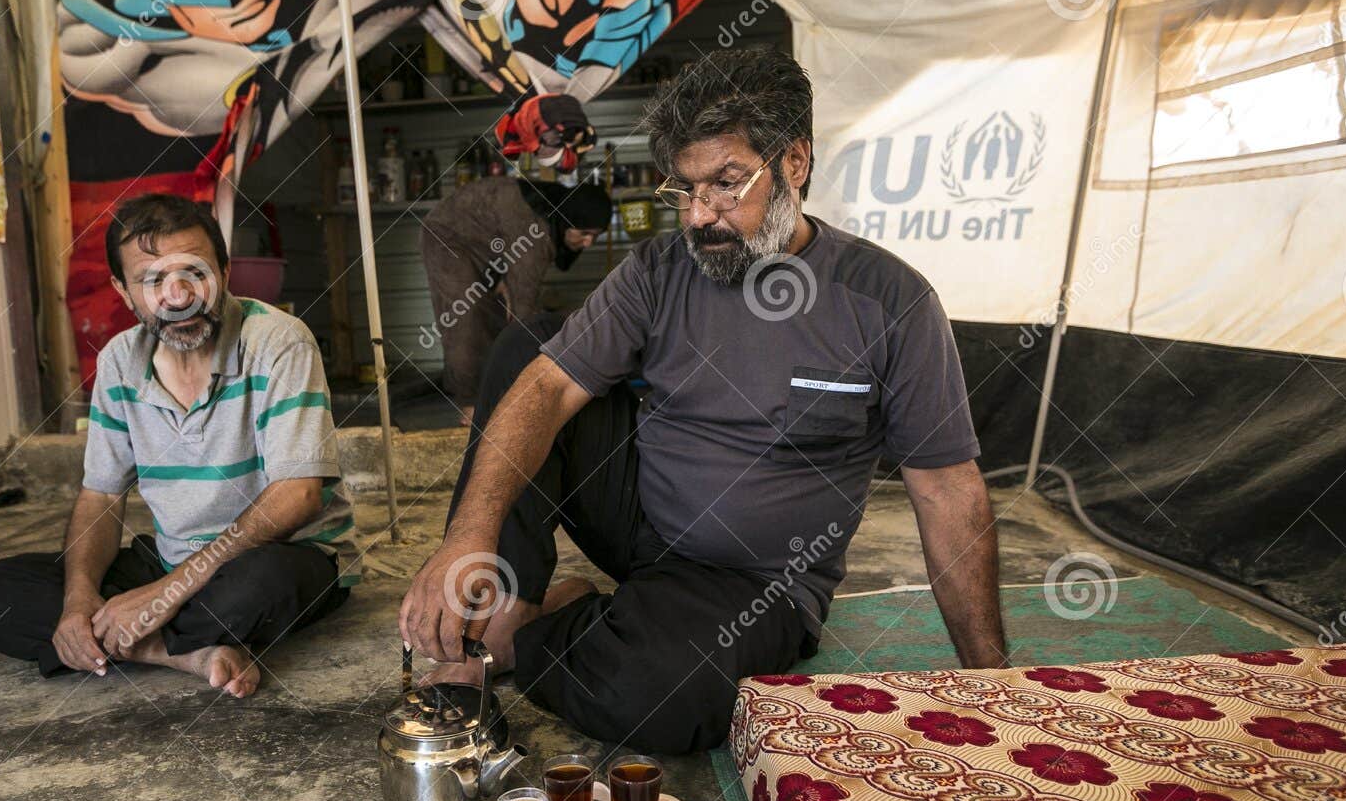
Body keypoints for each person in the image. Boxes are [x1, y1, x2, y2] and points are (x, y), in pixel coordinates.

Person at [399, 48, 1009, 754]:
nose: (699, 216)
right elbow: (549, 386)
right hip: (641, 524)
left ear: (795, 162)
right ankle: (509, 602)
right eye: (685, 189)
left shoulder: (888, 301)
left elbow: (946, 489)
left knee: (657, 693)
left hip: (756, 581)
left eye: (725, 184)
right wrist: (466, 538)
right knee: (529, 351)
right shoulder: (658, 271)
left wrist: (994, 680)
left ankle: (544, 629)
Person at [0, 194, 356, 698]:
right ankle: (188, 654)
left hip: (279, 555)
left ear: (225, 271)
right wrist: (79, 601)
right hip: (174, 559)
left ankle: (140, 637)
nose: (178, 297)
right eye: (151, 280)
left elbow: (298, 495)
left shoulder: (279, 342)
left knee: (260, 587)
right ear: (122, 290)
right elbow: (102, 496)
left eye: (195, 272)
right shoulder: (119, 362)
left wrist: (164, 594)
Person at [419, 175, 610, 420]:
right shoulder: (536, 234)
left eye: (596, 236)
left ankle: (494, 392)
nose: (589, 242)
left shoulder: (555, 209)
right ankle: (469, 404)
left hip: (489, 243)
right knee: (466, 317)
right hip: (446, 235)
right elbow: (525, 316)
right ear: (566, 222)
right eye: (584, 233)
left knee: (498, 316)